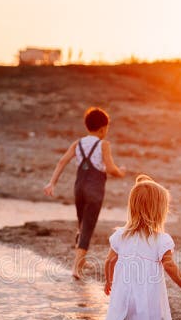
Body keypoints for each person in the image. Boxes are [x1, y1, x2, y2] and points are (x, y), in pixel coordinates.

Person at [101, 175, 181, 320]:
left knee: (123, 318)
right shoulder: (161, 239)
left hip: (122, 289)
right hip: (146, 294)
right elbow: (169, 265)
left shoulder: (121, 235)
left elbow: (109, 261)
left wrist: (109, 281)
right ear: (160, 210)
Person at [43, 107, 126, 279]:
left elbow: (62, 161)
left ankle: (81, 260)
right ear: (103, 128)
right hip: (94, 189)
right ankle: (76, 268)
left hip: (79, 187)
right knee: (88, 225)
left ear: (87, 126)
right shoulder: (104, 145)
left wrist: (52, 183)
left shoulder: (78, 143)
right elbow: (110, 168)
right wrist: (121, 172)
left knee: (82, 223)